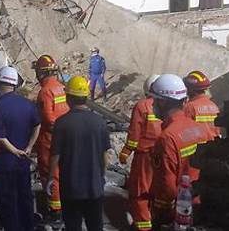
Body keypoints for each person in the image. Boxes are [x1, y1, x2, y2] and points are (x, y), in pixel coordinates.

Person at [49, 76, 110, 231]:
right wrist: (102, 177)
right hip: (94, 188)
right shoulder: (100, 122)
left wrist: (50, 178)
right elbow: (104, 155)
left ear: (68, 97)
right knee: (95, 226)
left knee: (73, 226)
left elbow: (55, 155)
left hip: (70, 188)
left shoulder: (62, 123)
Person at [149, 74, 209, 228]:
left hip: (178, 212)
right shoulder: (200, 128)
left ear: (162, 102)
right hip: (200, 204)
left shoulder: (167, 138)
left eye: (154, 100)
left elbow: (167, 188)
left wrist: (161, 218)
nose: (152, 104)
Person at [0, 66, 41, 231]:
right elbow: (37, 124)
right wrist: (28, 147)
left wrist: (14, 151)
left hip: (5, 164)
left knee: (7, 205)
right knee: (24, 200)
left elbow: (1, 138)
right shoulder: (28, 105)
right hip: (23, 164)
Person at [118, 75, 161, 231]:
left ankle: (142, 226)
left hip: (145, 156)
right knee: (157, 190)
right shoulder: (167, 104)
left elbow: (134, 134)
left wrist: (126, 151)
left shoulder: (142, 105)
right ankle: (156, 221)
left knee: (140, 190)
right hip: (164, 154)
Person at [32, 55, 69, 219]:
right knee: (63, 173)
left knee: (50, 174)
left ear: (41, 73)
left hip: (49, 141)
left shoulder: (45, 91)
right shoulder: (62, 88)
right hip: (66, 138)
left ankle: (55, 212)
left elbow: (48, 119)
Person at [183, 70, 221, 142]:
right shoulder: (214, 106)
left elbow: (183, 132)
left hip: (198, 149)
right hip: (213, 148)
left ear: (191, 89)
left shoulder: (189, 107)